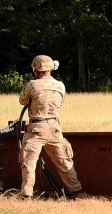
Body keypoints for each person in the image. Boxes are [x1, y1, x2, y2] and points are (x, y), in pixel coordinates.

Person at [17, 54, 84, 199]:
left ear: (35, 69)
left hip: (36, 129)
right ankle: (77, 192)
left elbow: (22, 101)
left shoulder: (32, 85)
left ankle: (26, 195)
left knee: (28, 162)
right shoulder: (60, 85)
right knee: (64, 162)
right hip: (55, 128)